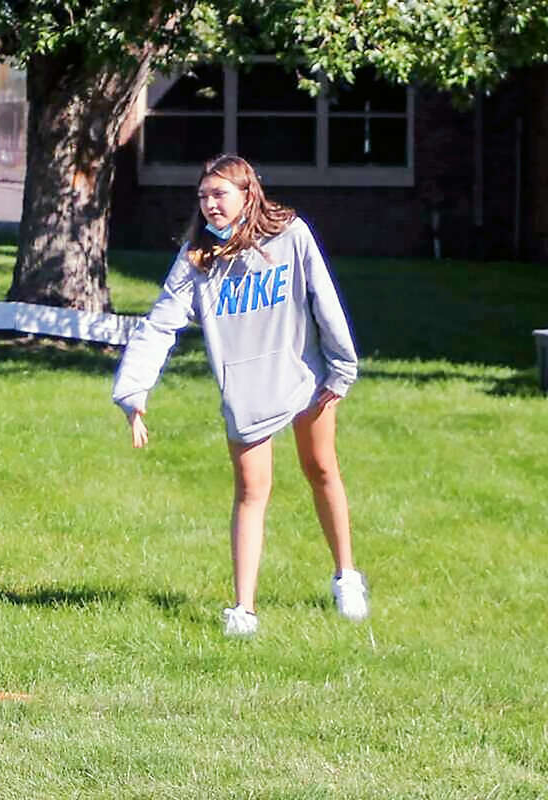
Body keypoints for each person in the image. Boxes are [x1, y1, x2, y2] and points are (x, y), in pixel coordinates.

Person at [112, 154, 368, 637]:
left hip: (303, 376)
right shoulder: (197, 259)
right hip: (246, 391)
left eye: (219, 194)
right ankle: (243, 610)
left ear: (247, 195)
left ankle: (347, 576)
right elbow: (161, 323)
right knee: (252, 491)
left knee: (321, 468)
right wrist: (134, 388)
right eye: (203, 196)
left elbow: (324, 300)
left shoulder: (291, 237)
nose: (209, 205)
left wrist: (341, 368)